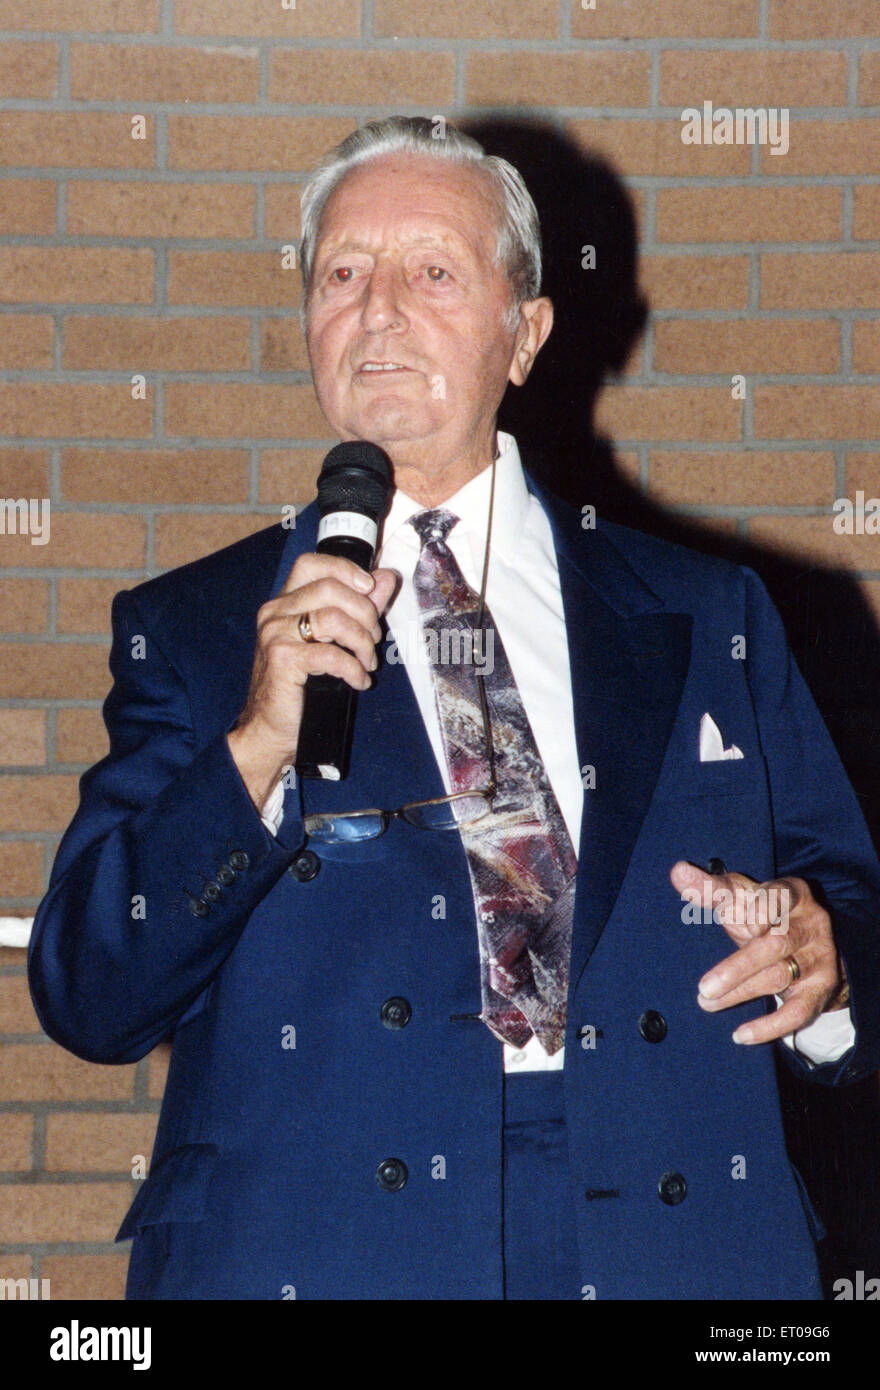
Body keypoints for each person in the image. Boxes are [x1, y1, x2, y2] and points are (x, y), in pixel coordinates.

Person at [28, 117, 880, 1300]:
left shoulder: (706, 610)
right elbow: (88, 991)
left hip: (665, 1243)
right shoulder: (194, 629)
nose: (376, 307)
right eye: (341, 273)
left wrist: (828, 972)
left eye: (430, 270)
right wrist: (254, 749)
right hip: (326, 1252)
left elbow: (852, 903)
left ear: (524, 334)